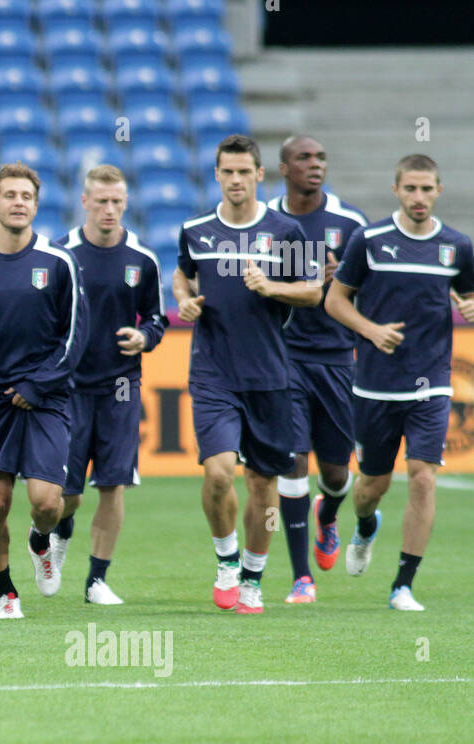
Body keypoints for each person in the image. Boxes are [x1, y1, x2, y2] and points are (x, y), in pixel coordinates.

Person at [173, 135, 321, 615]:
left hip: (270, 375)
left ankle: (254, 578)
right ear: (216, 175)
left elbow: (313, 291)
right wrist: (184, 299)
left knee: (263, 484)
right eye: (227, 172)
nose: (235, 180)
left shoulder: (286, 233)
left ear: (261, 175)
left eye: (244, 172)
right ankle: (226, 560)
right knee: (218, 474)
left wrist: (272, 286)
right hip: (213, 372)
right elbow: (183, 273)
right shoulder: (195, 230)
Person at [324, 154, 474, 612]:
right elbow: (334, 300)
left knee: (423, 479)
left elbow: (467, 295)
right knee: (370, 488)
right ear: (396, 191)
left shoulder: (457, 246)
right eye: (411, 188)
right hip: (374, 387)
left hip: (431, 385)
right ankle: (366, 526)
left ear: (439, 191)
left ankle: (402, 585)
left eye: (427, 189)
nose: (419, 197)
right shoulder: (368, 241)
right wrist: (369, 330)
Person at [0, 162, 84, 619]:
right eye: (9, 195)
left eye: (26, 196)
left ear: (36, 204)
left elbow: (74, 339)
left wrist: (35, 384)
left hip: (45, 401)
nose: (18, 203)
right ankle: (6, 592)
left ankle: (40, 541)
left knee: (48, 502)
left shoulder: (59, 263)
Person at [53, 164, 165, 605]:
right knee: (67, 495)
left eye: (117, 201)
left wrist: (145, 338)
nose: (110, 209)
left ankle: (96, 580)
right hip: (69, 388)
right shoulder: (62, 255)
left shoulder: (142, 259)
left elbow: (156, 319)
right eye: (101, 201)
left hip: (120, 387)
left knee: (112, 484)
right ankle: (58, 532)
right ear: (84, 202)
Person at [266, 135, 368, 604]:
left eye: (321, 157)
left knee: (335, 472)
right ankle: (300, 577)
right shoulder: (265, 221)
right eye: (304, 157)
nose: (315, 164)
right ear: (283, 167)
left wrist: (340, 284)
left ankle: (329, 515)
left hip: (335, 359)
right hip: (282, 357)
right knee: (291, 463)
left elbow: (372, 290)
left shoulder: (350, 224)